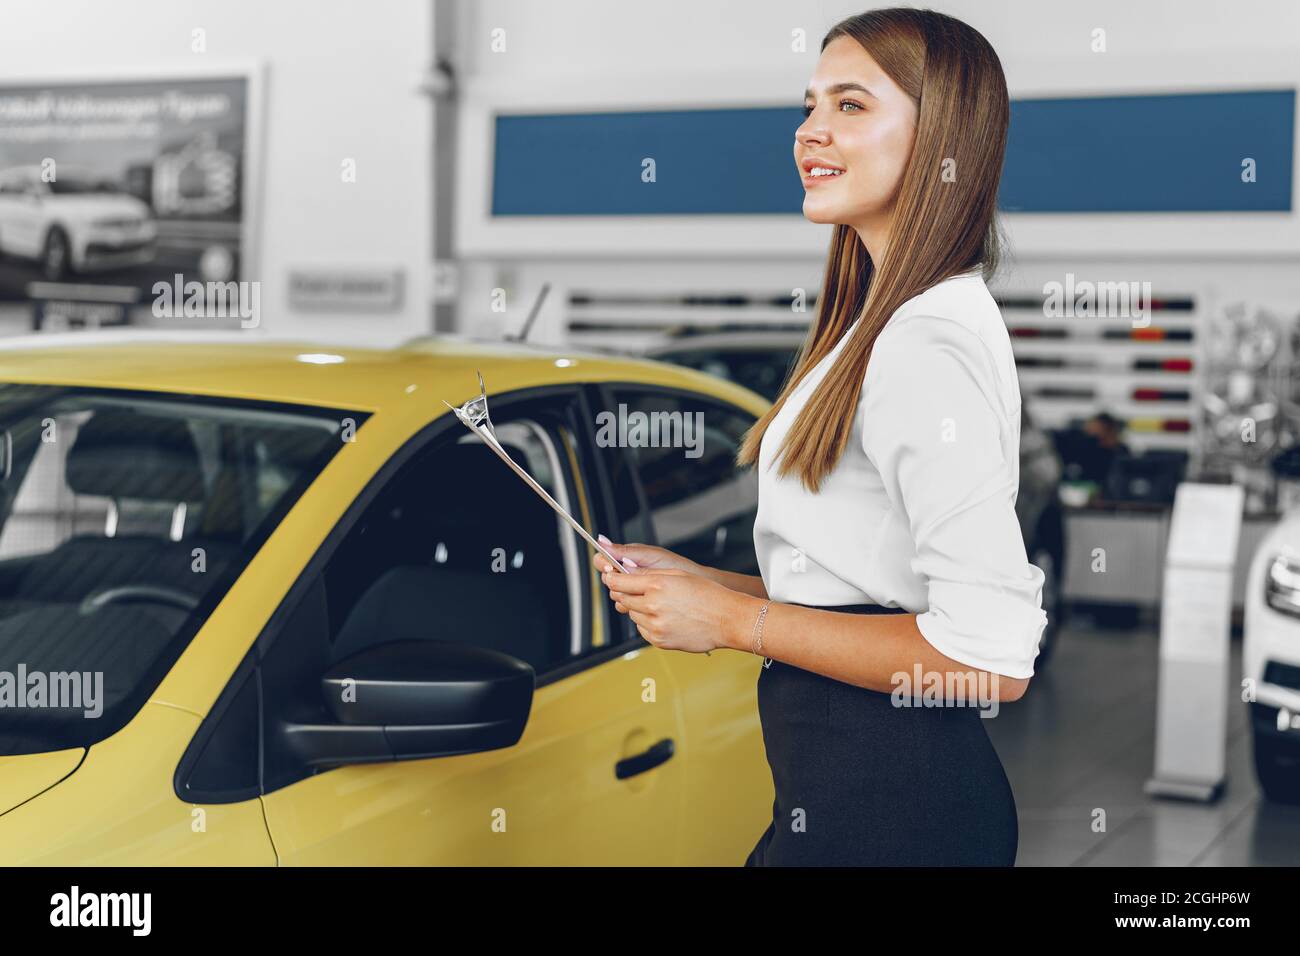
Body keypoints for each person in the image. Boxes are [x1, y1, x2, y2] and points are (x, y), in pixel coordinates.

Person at [594, 8, 1047, 867]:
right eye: (809, 106)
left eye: (849, 105)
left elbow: (991, 658)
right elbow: (872, 587)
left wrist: (731, 618)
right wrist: (706, 583)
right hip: (852, 799)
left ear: (941, 133)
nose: (809, 132)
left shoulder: (925, 340)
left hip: (897, 814)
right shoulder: (886, 322)